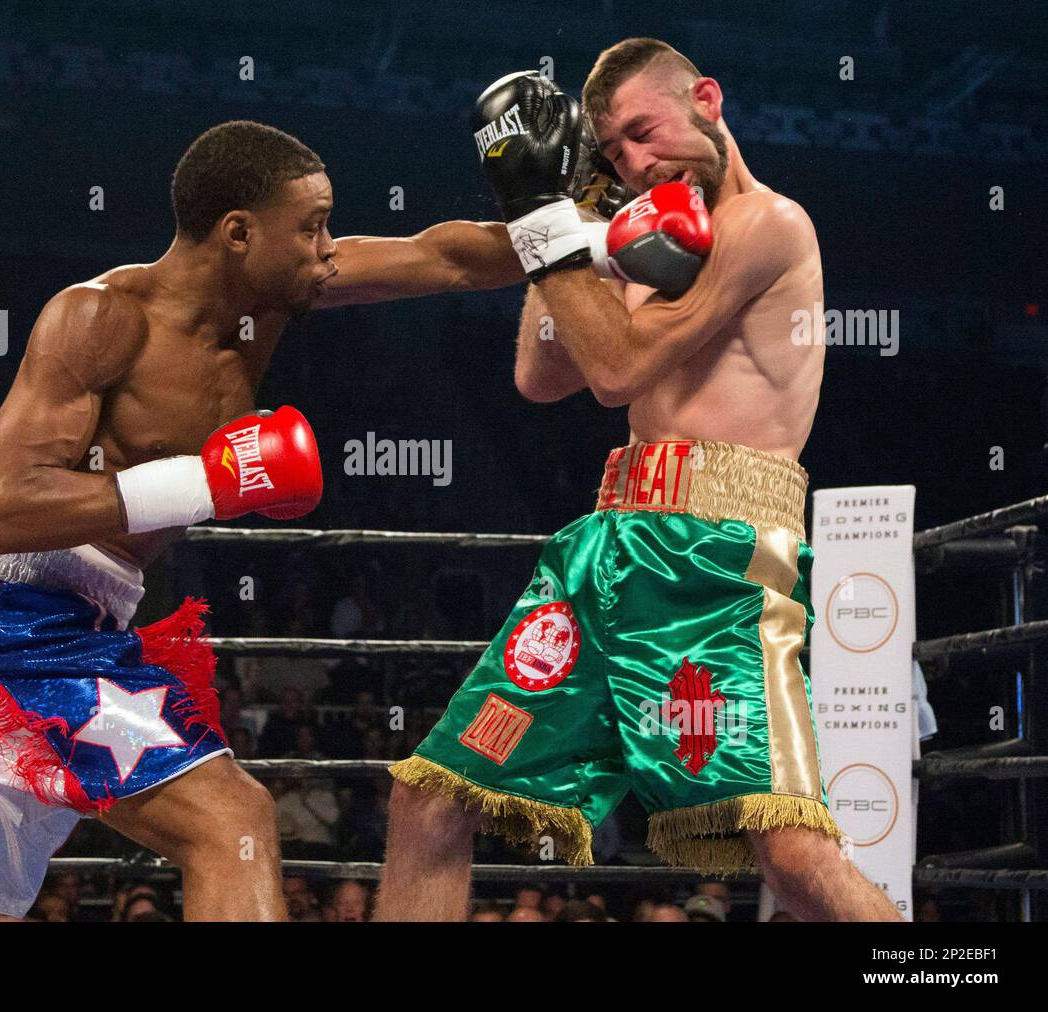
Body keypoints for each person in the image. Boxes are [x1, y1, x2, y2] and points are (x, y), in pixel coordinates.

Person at [0, 119, 534, 923]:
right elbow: (0, 509)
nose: (329, 246)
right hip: (9, 616)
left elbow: (447, 257)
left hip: (66, 616)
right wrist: (204, 482)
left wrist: (596, 228)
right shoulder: (99, 317)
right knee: (231, 820)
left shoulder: (276, 295)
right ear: (237, 234)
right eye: (311, 227)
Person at [376, 40, 901, 922]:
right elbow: (543, 377)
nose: (635, 162)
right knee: (431, 799)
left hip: (720, 562)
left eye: (643, 134)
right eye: (611, 153)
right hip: (609, 552)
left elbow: (617, 372)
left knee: (793, 852)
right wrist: (573, 215)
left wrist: (544, 219)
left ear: (706, 97)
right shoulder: (642, 239)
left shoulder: (769, 225)